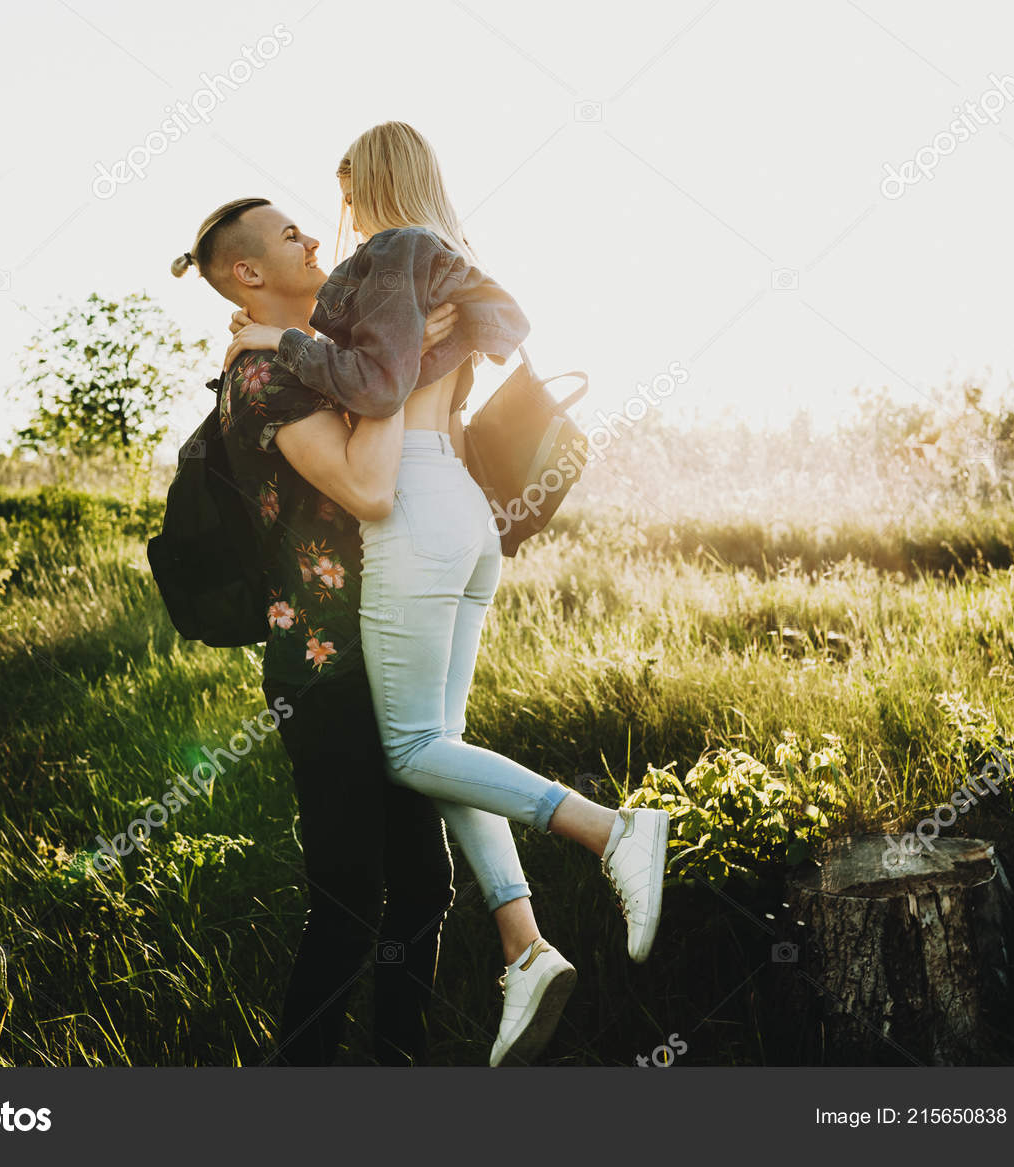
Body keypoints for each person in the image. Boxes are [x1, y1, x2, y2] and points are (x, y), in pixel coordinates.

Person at [215, 123, 670, 1065]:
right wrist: (415, 347)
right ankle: (527, 949)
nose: (326, 228)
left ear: (366, 184)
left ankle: (610, 829)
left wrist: (283, 337)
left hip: (416, 509)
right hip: (463, 509)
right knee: (445, 748)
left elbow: (373, 393)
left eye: (336, 197)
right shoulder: (445, 265)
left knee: (415, 747)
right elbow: (505, 329)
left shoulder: (389, 257)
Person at [170, 196, 464, 1066]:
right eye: (291, 233)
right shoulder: (264, 379)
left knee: (419, 886)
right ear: (249, 274)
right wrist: (394, 366)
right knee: (351, 895)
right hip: (325, 669)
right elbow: (367, 492)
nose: (312, 237)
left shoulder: (308, 361)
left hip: (382, 651)